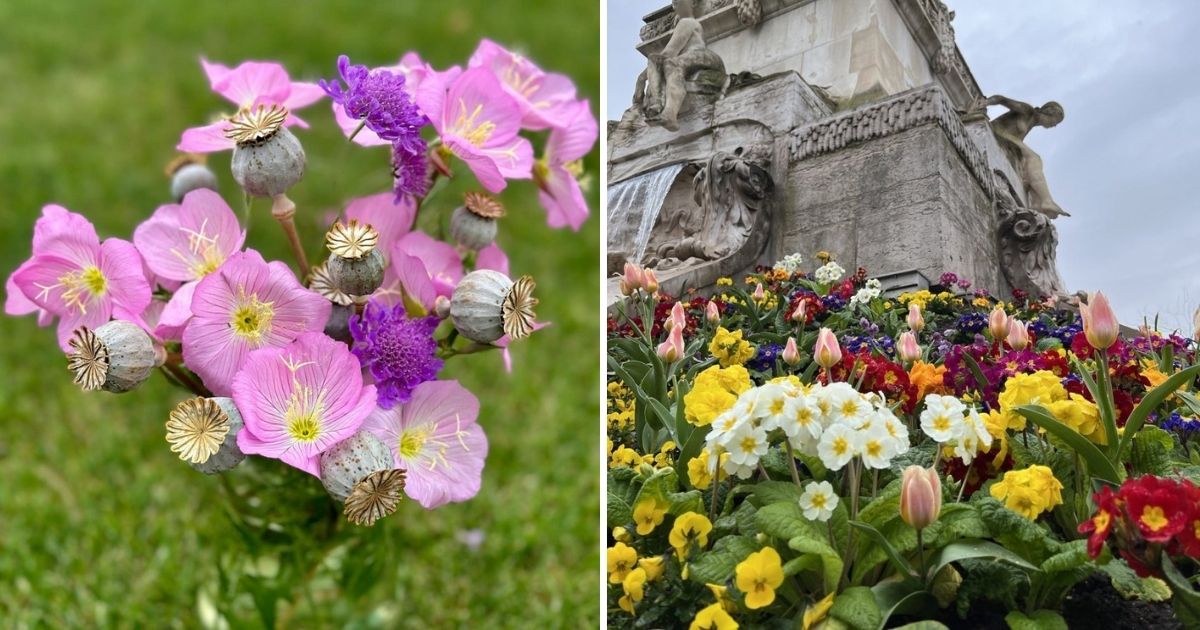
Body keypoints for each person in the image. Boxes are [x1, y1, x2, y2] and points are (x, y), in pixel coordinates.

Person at [987, 94, 1068, 218]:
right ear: (1049, 112)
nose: (1054, 125)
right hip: (997, 132)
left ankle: (1037, 203)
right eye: (1055, 121)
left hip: (1009, 145)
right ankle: (1046, 201)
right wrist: (983, 103)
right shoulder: (1027, 111)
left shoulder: (1031, 124)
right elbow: (1001, 99)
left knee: (1030, 166)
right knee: (1034, 158)